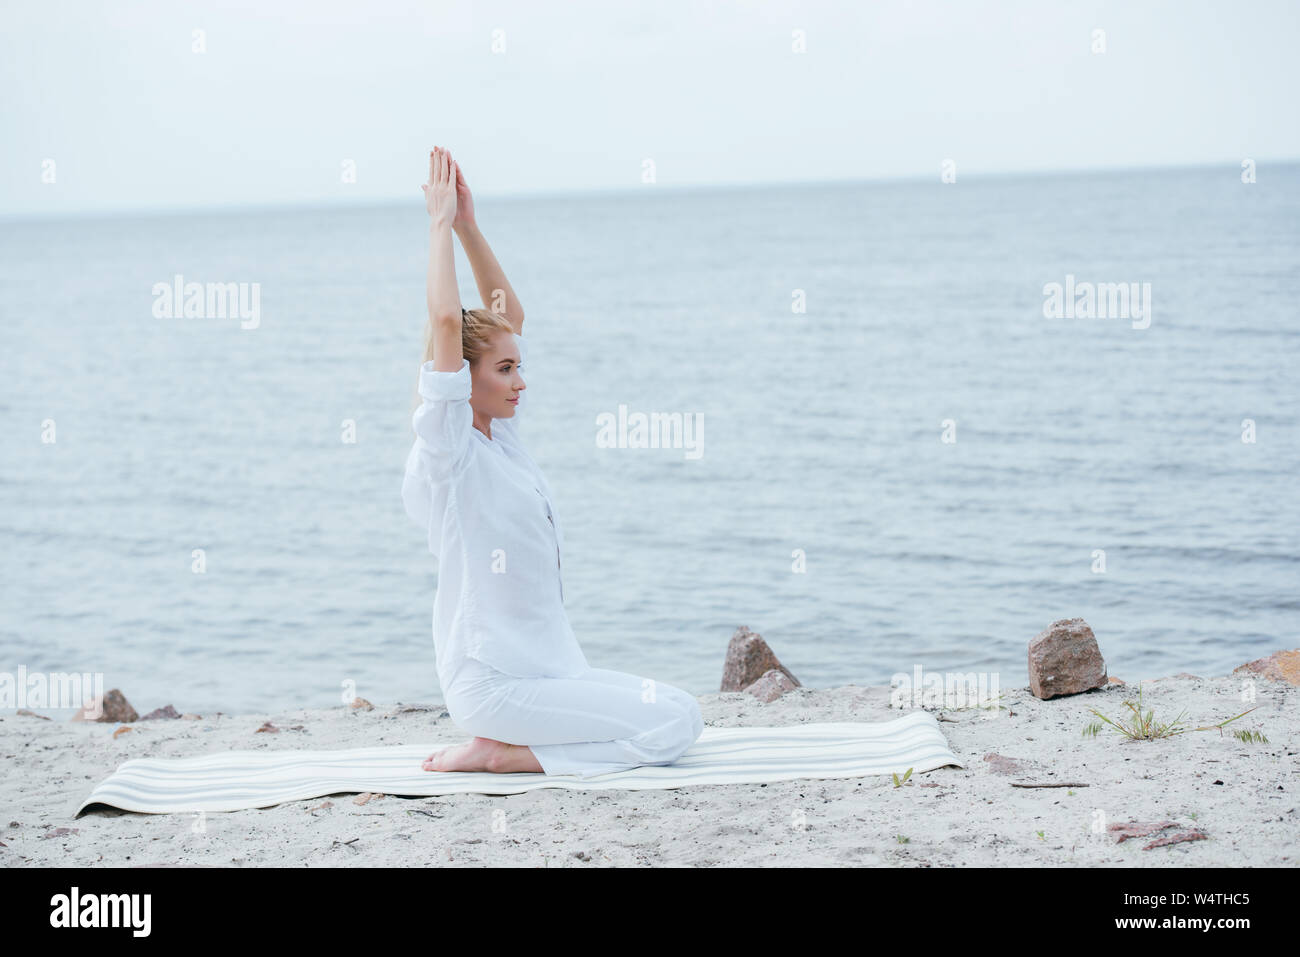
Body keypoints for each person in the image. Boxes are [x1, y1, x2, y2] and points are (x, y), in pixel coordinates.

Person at [402, 146, 703, 777]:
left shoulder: (501, 441)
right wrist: (435, 225)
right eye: (506, 370)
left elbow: (508, 313)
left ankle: (502, 748)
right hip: (494, 683)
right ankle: (506, 756)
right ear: (464, 380)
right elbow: (442, 320)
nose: (521, 382)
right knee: (676, 727)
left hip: (546, 671)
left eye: (520, 367)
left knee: (678, 706)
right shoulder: (449, 449)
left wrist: (468, 226)